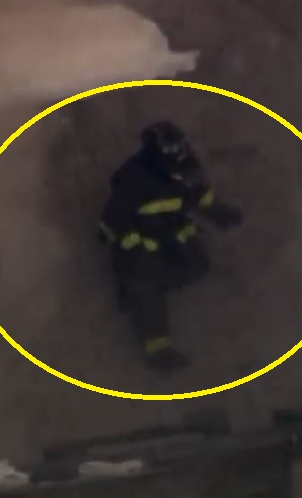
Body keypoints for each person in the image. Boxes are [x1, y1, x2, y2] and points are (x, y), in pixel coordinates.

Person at [98, 121, 243, 372]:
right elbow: (112, 220)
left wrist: (220, 213)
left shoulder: (188, 165)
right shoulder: (135, 176)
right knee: (146, 283)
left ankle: (140, 293)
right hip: (140, 244)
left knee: (198, 266)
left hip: (170, 237)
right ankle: (158, 350)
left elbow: (200, 195)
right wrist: (129, 244)